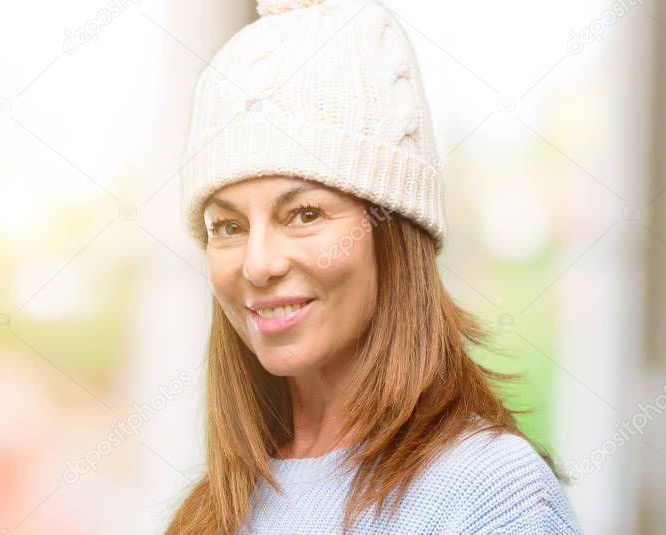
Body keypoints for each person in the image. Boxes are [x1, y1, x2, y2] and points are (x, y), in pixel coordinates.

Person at [166, 0, 582, 532]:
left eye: (305, 214)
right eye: (228, 226)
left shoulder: (491, 493)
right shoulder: (214, 507)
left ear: (392, 233)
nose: (259, 263)